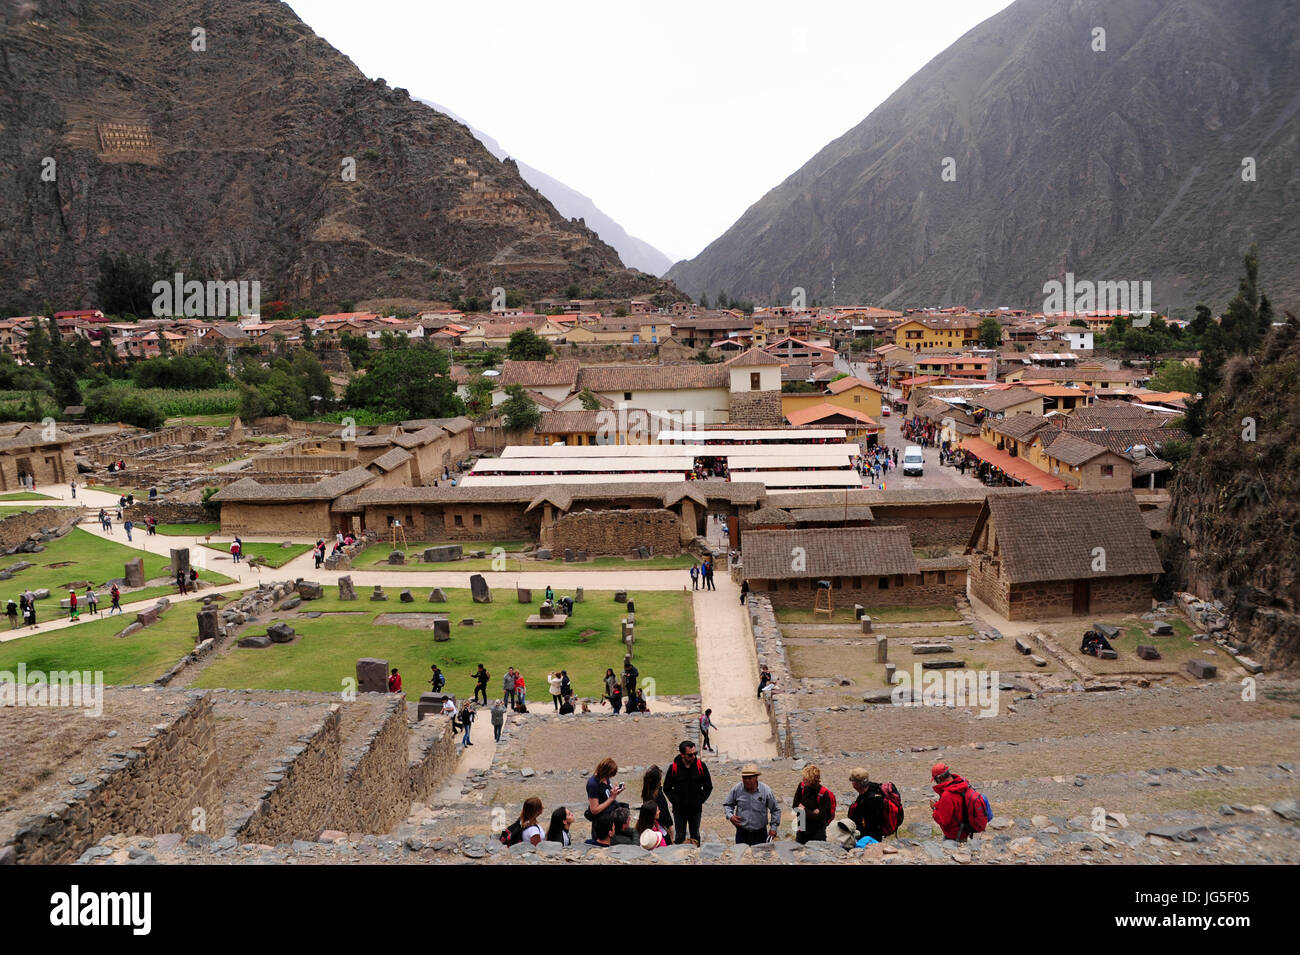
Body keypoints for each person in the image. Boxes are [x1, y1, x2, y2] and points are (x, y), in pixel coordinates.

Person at [663, 741, 712, 844]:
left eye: (695, 753)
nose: (693, 756)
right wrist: (676, 801)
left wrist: (700, 800)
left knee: (695, 835)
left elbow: (708, 786)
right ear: (682, 755)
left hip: (695, 809)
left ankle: (696, 856)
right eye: (690, 755)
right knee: (680, 836)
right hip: (679, 810)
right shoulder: (674, 768)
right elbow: (667, 788)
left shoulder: (701, 766)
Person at [723, 764, 781, 845]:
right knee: (742, 856)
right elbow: (727, 804)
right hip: (741, 833)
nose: (747, 780)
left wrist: (774, 828)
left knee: (760, 856)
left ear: (756, 777)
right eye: (744, 778)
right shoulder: (737, 789)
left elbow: (775, 810)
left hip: (760, 834)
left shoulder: (766, 791)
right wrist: (731, 816)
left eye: (750, 778)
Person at [930, 763, 975, 842]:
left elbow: (943, 821)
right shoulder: (962, 784)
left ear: (939, 779)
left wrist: (934, 808)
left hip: (954, 835)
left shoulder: (947, 795)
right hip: (965, 830)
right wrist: (939, 805)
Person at [791, 764, 834, 844]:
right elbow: (795, 806)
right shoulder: (802, 786)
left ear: (812, 780)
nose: (803, 779)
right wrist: (812, 813)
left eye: (806, 778)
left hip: (817, 831)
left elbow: (820, 818)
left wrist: (804, 809)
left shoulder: (823, 794)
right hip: (802, 828)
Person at [585, 757, 624, 839]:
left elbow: (605, 795)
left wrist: (615, 792)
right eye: (610, 775)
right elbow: (594, 810)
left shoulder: (605, 779)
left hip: (609, 817)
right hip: (600, 822)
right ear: (605, 772)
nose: (610, 777)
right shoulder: (593, 784)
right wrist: (611, 798)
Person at [640, 765, 675, 844]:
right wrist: (669, 828)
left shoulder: (646, 792)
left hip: (649, 824)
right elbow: (664, 814)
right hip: (660, 828)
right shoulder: (658, 796)